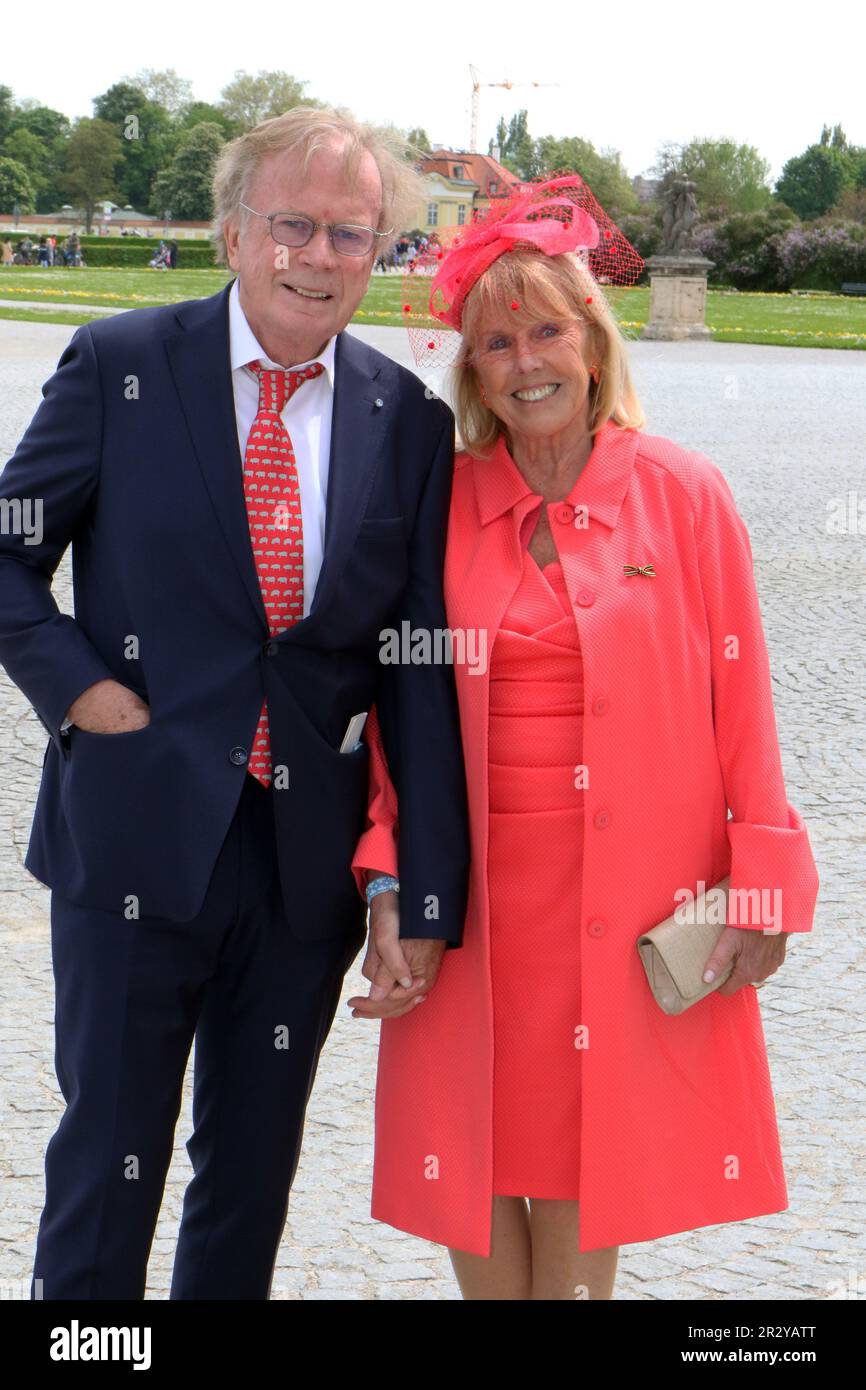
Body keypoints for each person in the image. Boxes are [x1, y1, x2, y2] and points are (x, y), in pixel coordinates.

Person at [0, 104, 469, 1300]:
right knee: (109, 1160)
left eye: (351, 234)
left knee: (251, 1169)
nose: (319, 257)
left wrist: (414, 887)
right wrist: (79, 687)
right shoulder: (120, 367)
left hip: (298, 862)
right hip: (135, 832)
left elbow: (413, 658)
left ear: (380, 253)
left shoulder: (404, 421)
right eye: (294, 226)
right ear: (231, 233)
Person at [350, 174, 820, 1300]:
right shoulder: (439, 498)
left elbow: (741, 703)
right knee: (471, 1155)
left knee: (577, 1161)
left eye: (546, 330)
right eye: (497, 342)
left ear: (594, 342)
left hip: (617, 888)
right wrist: (386, 878)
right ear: (472, 370)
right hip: (468, 893)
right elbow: (396, 711)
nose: (526, 362)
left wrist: (758, 887)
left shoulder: (683, 495)